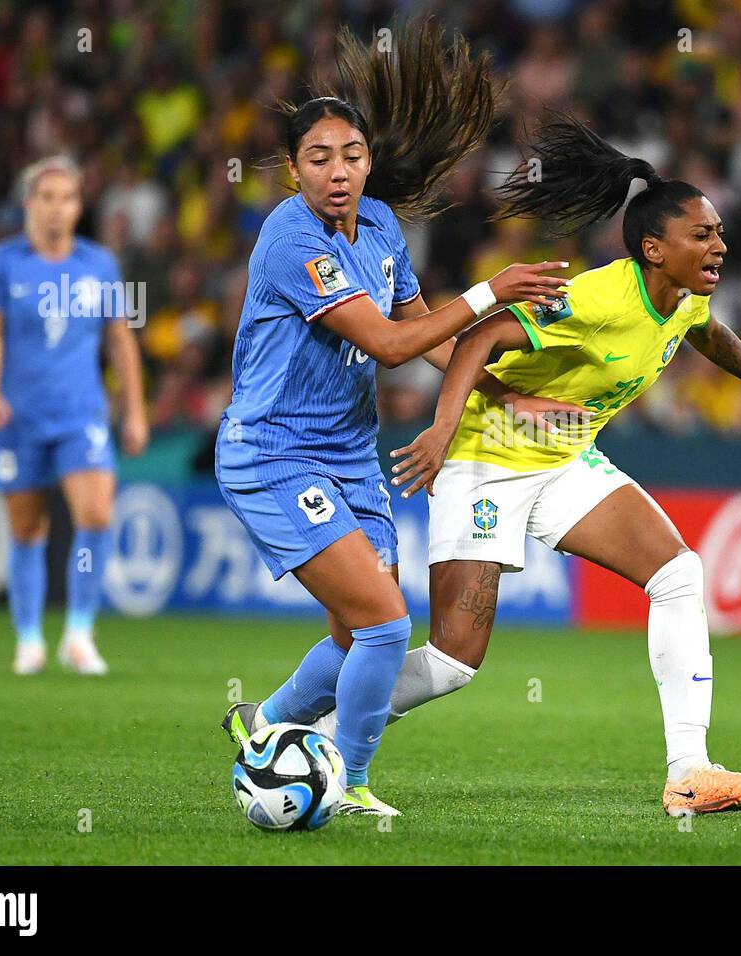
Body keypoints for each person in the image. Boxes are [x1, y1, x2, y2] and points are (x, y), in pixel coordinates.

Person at [356, 116, 741, 817]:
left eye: (718, 231)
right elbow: (479, 337)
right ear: (654, 248)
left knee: (679, 574)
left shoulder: (685, 297)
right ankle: (309, 729)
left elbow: (708, 333)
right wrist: (442, 431)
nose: (720, 242)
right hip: (487, 459)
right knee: (451, 662)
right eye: (704, 234)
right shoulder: (596, 300)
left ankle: (689, 773)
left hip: (564, 460)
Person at [217, 23, 572, 817]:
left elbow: (424, 336)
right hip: (272, 453)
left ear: (368, 160)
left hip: (346, 454)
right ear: (293, 169)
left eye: (350, 155)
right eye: (318, 159)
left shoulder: (378, 226)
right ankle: (348, 780)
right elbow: (386, 343)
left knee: (354, 634)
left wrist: (505, 399)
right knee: (384, 624)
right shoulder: (287, 238)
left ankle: (268, 728)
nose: (337, 172)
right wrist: (490, 293)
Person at [0, 155, 148, 677]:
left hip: (82, 413)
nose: (55, 208)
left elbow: (120, 339)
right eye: (45, 197)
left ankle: (78, 634)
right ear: (28, 204)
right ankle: (28, 638)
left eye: (66, 198)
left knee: (95, 514)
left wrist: (135, 410)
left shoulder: (99, 264)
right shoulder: (0, 263)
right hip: (18, 416)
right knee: (26, 529)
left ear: (78, 206)